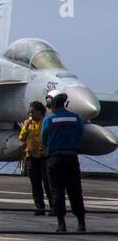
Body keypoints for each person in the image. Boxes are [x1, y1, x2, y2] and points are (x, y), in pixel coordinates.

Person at [41, 92, 86, 233]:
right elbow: (80, 134)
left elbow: (44, 138)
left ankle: (61, 224)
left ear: (52, 106)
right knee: (75, 191)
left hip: (55, 159)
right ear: (65, 104)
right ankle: (81, 224)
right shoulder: (77, 118)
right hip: (72, 159)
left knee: (57, 192)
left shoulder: (49, 120)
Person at [19, 101, 49, 215]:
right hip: (31, 157)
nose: (30, 115)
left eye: (33, 112)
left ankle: (52, 207)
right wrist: (25, 126)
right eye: (30, 112)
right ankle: (40, 208)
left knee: (47, 183)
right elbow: (21, 138)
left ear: (40, 112)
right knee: (35, 184)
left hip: (44, 157)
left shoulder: (45, 123)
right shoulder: (28, 124)